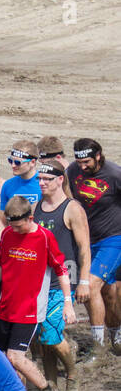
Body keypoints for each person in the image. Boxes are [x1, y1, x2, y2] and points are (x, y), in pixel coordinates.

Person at [0, 196, 72, 391]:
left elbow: (61, 270)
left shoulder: (44, 237)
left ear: (30, 218)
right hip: (6, 306)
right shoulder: (7, 234)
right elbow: (1, 265)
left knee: (15, 356)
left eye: (19, 225)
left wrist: (68, 302)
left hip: (30, 308)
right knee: (0, 359)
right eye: (11, 224)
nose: (15, 229)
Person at [34, 156, 91, 391]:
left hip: (63, 278)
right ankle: (51, 383)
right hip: (39, 280)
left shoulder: (72, 208)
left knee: (51, 334)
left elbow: (84, 247)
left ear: (59, 180)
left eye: (47, 179)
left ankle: (72, 374)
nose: (42, 183)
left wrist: (85, 281)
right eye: (40, 178)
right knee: (43, 336)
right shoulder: (36, 207)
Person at [66, 138, 121, 350]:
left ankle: (98, 349)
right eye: (79, 162)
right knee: (108, 293)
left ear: (98, 156)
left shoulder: (115, 174)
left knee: (89, 284)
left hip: (114, 239)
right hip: (88, 240)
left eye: (87, 161)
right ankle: (116, 338)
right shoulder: (73, 171)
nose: (82, 166)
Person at [0, 140, 42, 223]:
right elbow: (2, 222)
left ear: (32, 162)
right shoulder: (7, 185)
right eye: (10, 161)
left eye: (17, 162)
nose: (13, 165)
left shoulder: (44, 184)